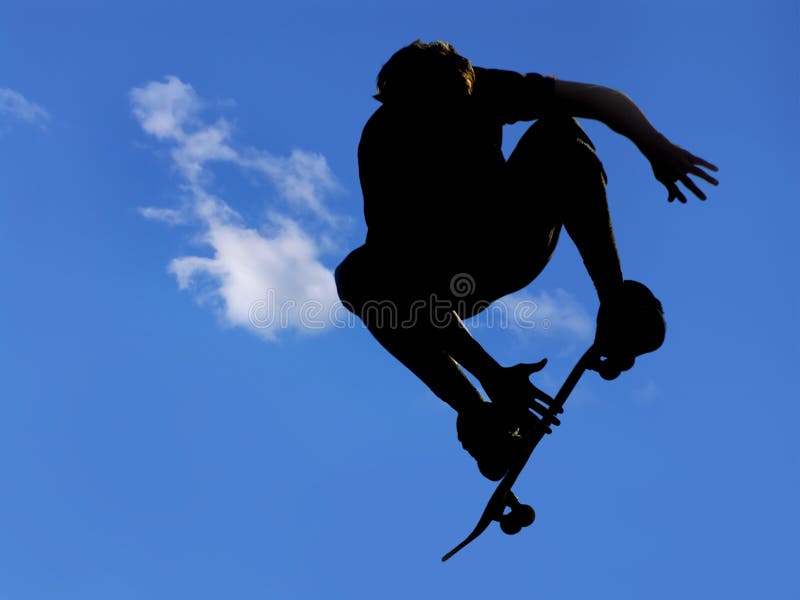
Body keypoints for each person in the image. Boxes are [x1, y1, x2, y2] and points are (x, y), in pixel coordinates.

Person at [336, 40, 718, 480]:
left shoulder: (485, 88)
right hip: (441, 275)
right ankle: (479, 417)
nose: (450, 127)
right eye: (434, 118)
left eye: (457, 110)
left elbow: (599, 99)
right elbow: (404, 287)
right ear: (403, 108)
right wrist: (489, 375)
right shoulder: (383, 145)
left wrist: (655, 147)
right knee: (359, 275)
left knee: (560, 133)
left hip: (510, 240)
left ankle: (614, 301)